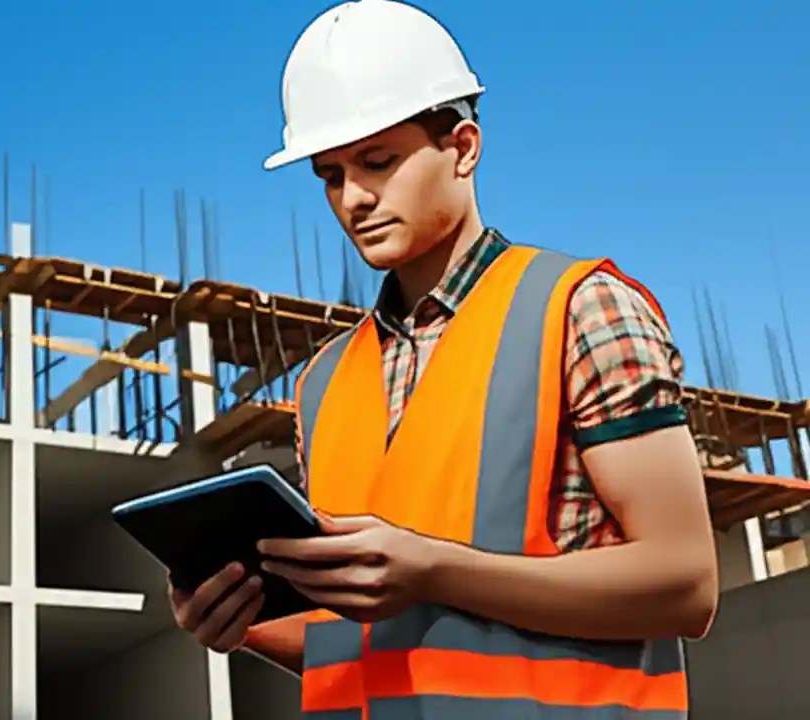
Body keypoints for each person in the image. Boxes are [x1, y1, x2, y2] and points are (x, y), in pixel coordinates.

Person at [168, 1, 719, 717]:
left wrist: (433, 571)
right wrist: (239, 623)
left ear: (463, 147)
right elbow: (368, 642)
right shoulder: (325, 381)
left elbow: (687, 585)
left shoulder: (582, 310)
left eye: (378, 161)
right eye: (331, 175)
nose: (354, 199)